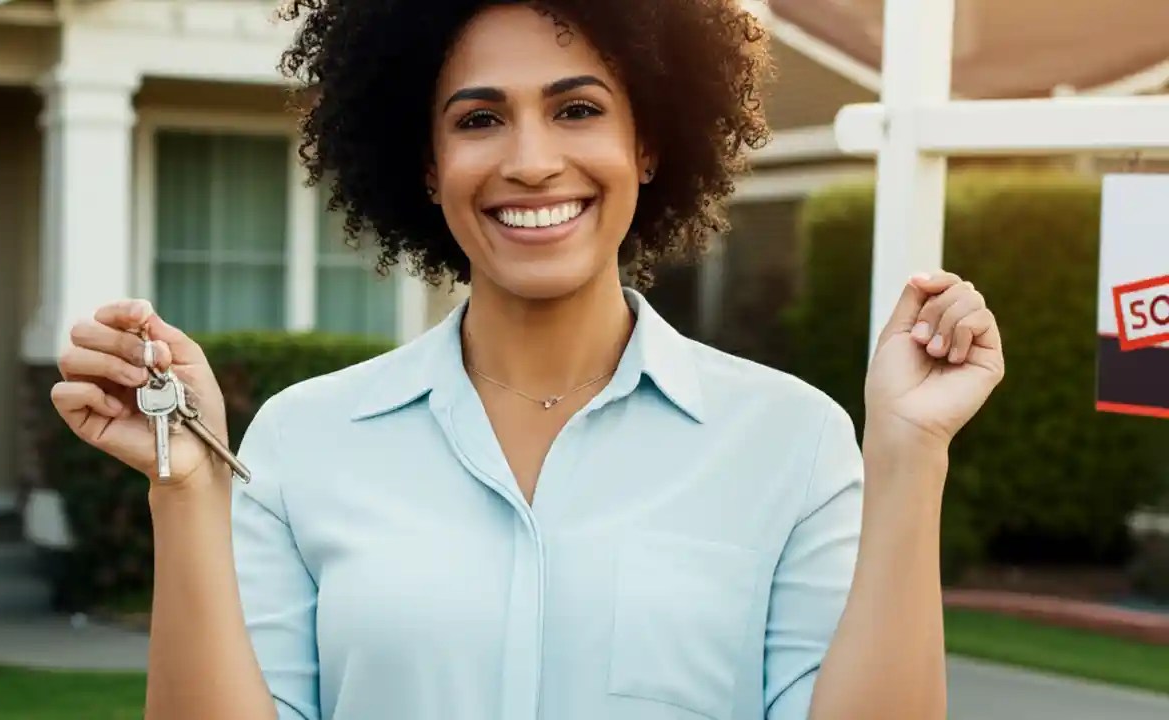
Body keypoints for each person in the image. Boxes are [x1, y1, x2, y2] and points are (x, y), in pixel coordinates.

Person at [51, 1, 1005, 719]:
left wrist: (911, 454)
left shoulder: (790, 440)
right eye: (479, 120)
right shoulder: (304, 440)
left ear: (647, 144)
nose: (533, 160)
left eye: (577, 109)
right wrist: (184, 489)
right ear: (428, 166)